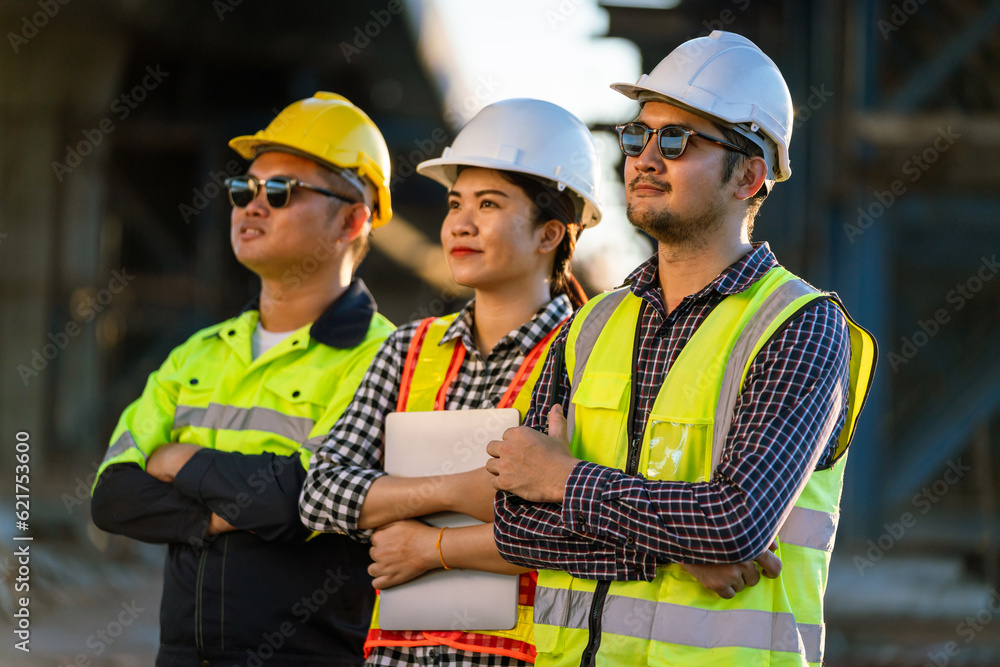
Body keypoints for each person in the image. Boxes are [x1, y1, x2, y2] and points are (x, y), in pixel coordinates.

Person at [486, 31, 878, 667]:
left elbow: (735, 522)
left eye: (676, 141)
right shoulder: (589, 327)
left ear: (749, 176)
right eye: (636, 137)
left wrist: (564, 480)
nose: (644, 159)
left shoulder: (800, 326)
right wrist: (680, 548)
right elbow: (516, 527)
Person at [90, 92, 395, 667]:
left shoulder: (387, 357)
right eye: (243, 189)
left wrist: (179, 461)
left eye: (280, 191)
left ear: (352, 219)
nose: (252, 205)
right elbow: (114, 497)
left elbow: (300, 501)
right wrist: (221, 514)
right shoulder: (197, 354)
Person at [297, 98, 604, 667]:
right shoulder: (407, 349)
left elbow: (586, 525)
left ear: (549, 234)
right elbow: (321, 494)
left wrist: (424, 541)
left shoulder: (592, 360)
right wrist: (457, 491)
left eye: (489, 204)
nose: (460, 223)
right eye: (456, 203)